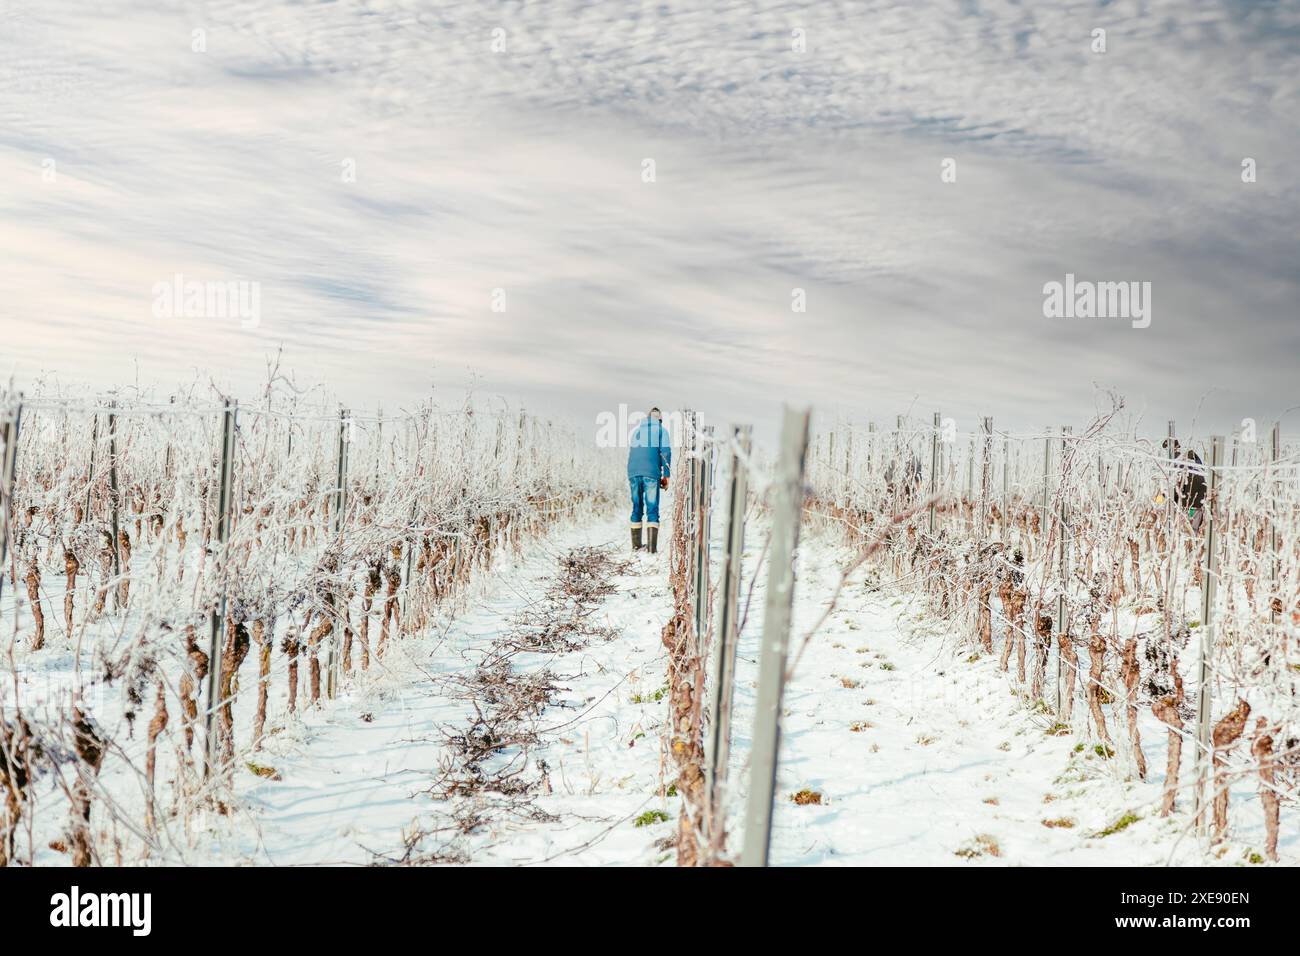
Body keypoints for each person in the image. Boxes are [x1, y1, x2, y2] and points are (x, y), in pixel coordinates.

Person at [627, 407, 671, 553]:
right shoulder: (661, 431)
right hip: (651, 474)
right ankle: (651, 550)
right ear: (660, 420)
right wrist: (666, 476)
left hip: (633, 473)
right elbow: (665, 453)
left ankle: (636, 547)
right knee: (652, 509)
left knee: (637, 508)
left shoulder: (636, 432)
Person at [1162, 438, 1207, 531]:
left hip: (1187, 504)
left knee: (1184, 532)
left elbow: (1175, 488)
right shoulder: (1194, 462)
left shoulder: (1177, 464)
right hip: (1198, 503)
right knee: (1193, 532)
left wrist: (1161, 498)